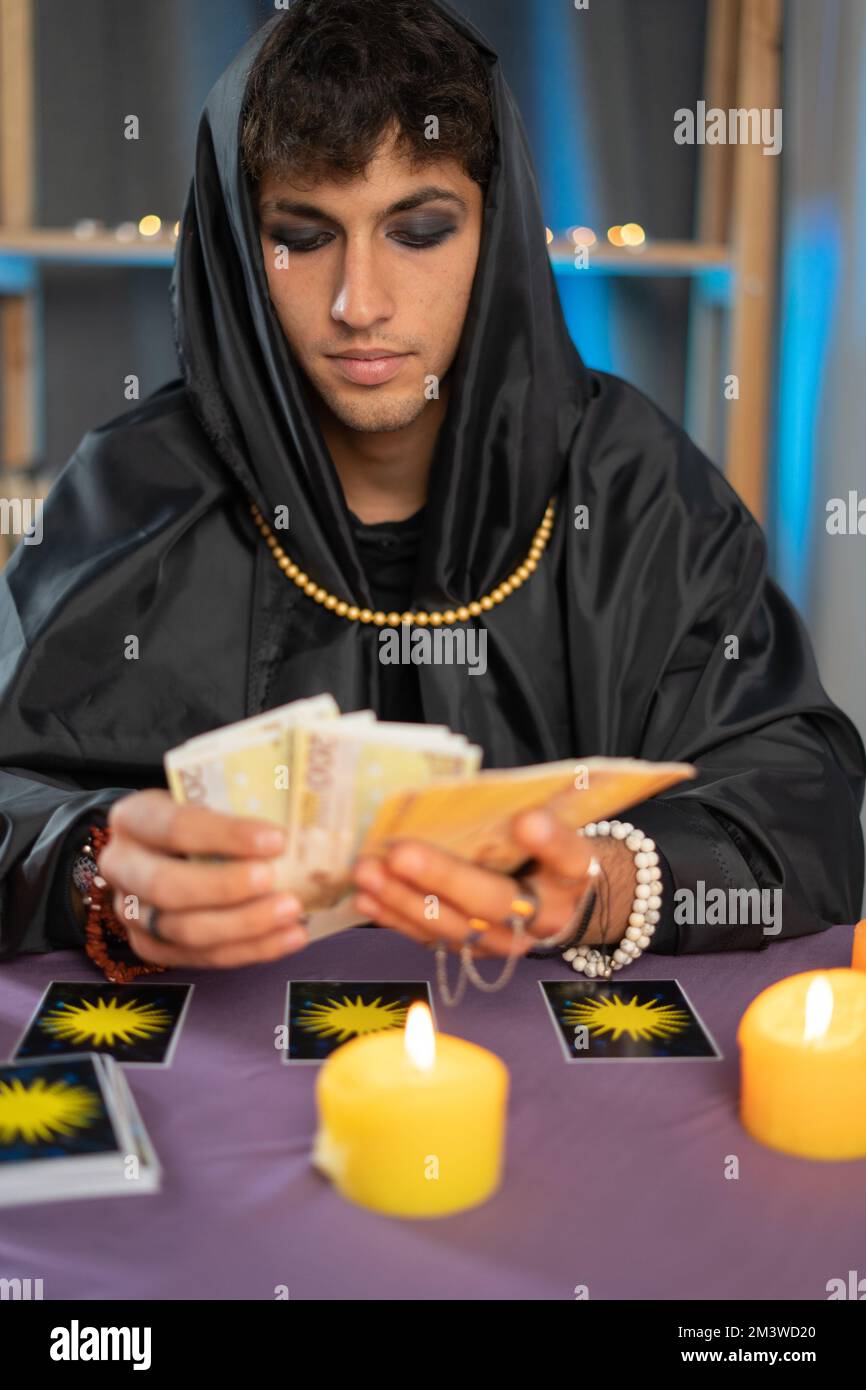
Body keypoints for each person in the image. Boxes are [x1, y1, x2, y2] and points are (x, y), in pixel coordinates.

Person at [0, 0, 862, 980]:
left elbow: (808, 812)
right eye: (301, 234)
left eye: (417, 231)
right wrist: (94, 869)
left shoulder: (636, 491)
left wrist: (608, 881)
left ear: (493, 232)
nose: (357, 303)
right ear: (242, 250)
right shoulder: (127, 494)